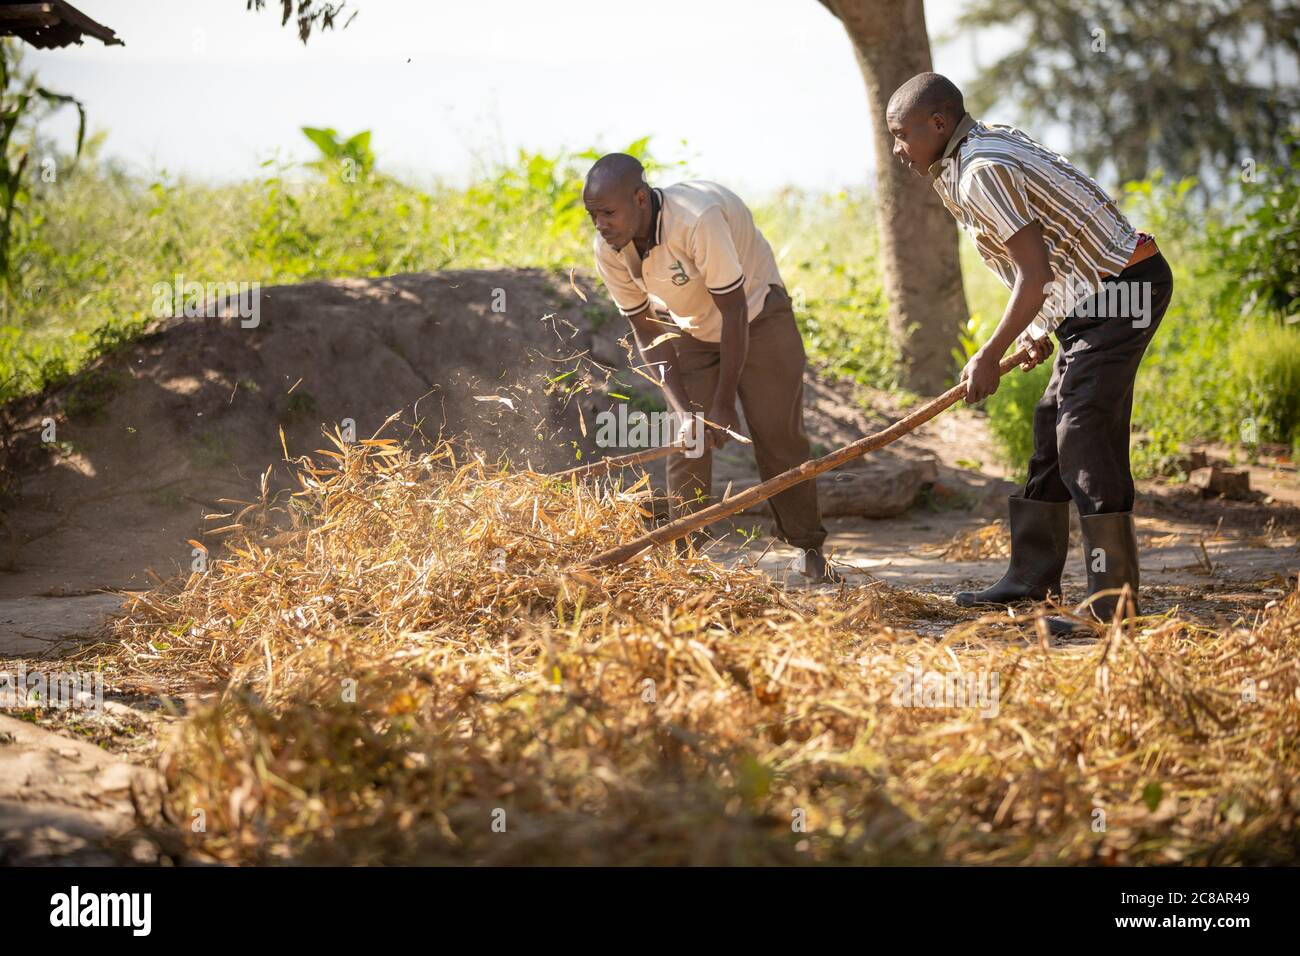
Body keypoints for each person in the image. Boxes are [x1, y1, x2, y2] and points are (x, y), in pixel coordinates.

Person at [884, 73, 1174, 632]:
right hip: (1088, 294)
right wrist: (1044, 323)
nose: (897, 149)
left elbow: (1034, 271)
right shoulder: (967, 156)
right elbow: (1053, 248)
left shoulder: (980, 171)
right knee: (1051, 424)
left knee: (1083, 429)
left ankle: (1113, 605)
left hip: (1123, 289)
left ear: (938, 124)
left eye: (902, 135)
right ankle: (1031, 577)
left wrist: (989, 353)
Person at [582, 153, 839, 583]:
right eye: (594, 216)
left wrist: (723, 402)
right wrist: (686, 412)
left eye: (608, 212)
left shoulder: (697, 219)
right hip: (693, 330)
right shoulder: (609, 250)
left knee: (778, 436)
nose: (601, 224)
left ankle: (808, 548)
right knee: (689, 441)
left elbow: (735, 312)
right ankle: (687, 562)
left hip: (758, 317)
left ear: (640, 199)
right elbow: (648, 332)